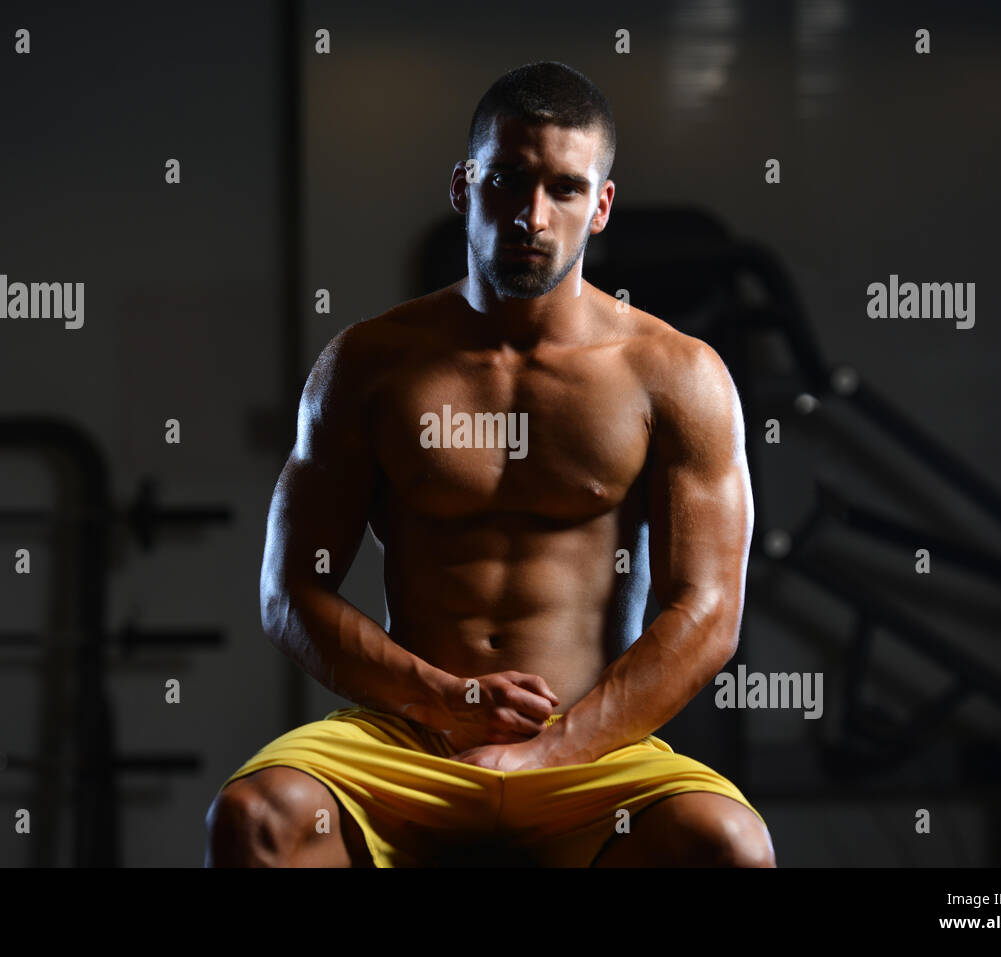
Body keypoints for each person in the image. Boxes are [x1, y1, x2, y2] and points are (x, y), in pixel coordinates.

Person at [206, 61, 775, 867]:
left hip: (593, 745)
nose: (532, 216)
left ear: (601, 206)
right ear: (463, 185)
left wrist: (550, 751)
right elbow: (289, 588)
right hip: (411, 734)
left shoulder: (674, 374)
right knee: (258, 816)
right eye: (507, 179)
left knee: (727, 846)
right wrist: (442, 697)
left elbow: (708, 611)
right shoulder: (370, 363)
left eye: (565, 189)